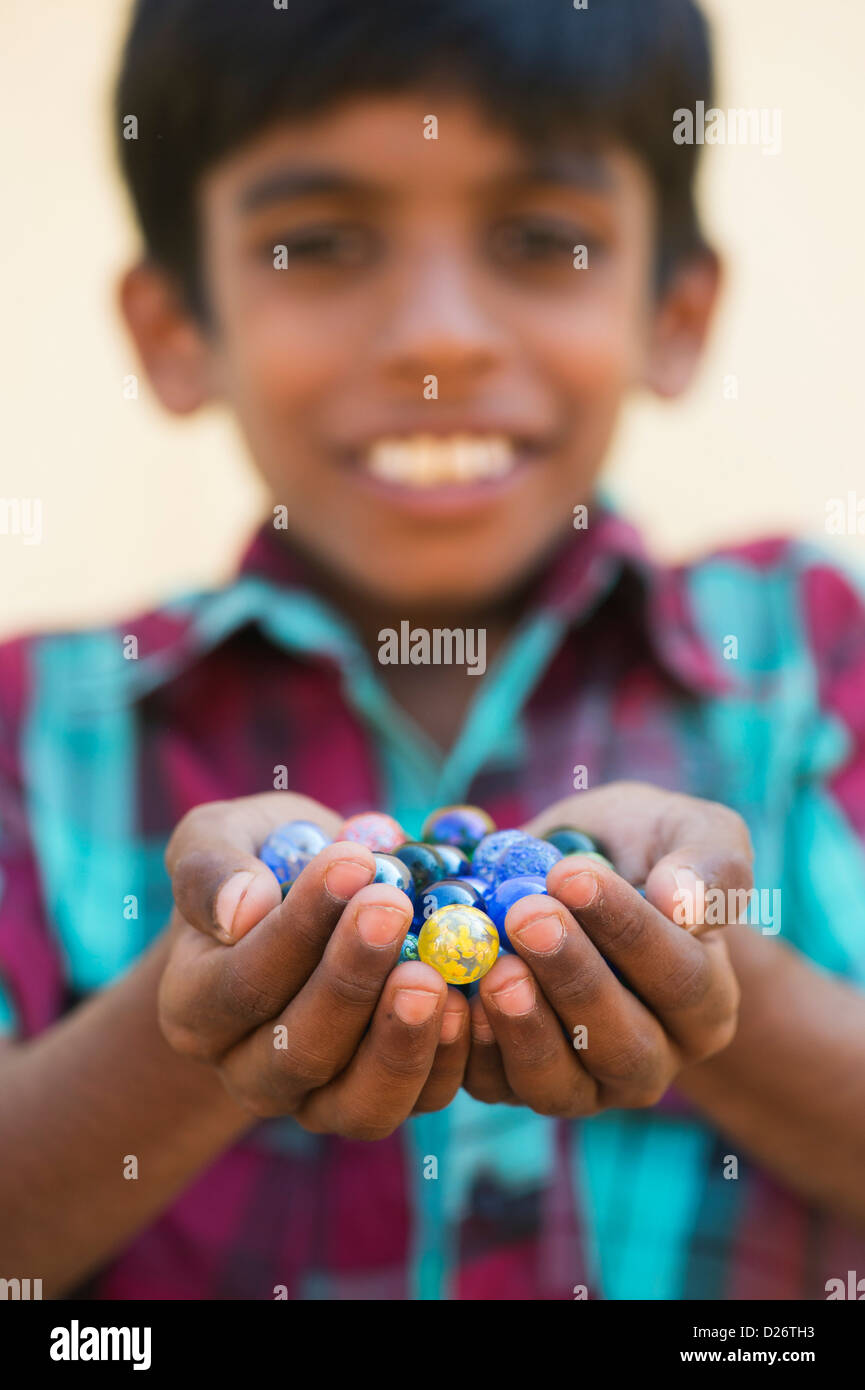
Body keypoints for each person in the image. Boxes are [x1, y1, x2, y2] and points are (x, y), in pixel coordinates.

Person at [1, 0, 864, 1301]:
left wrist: (699, 962)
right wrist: (196, 1020)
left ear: (675, 312)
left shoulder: (813, 655)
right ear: (176, 327)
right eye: (318, 244)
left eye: (540, 239)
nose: (436, 339)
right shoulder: (38, 723)